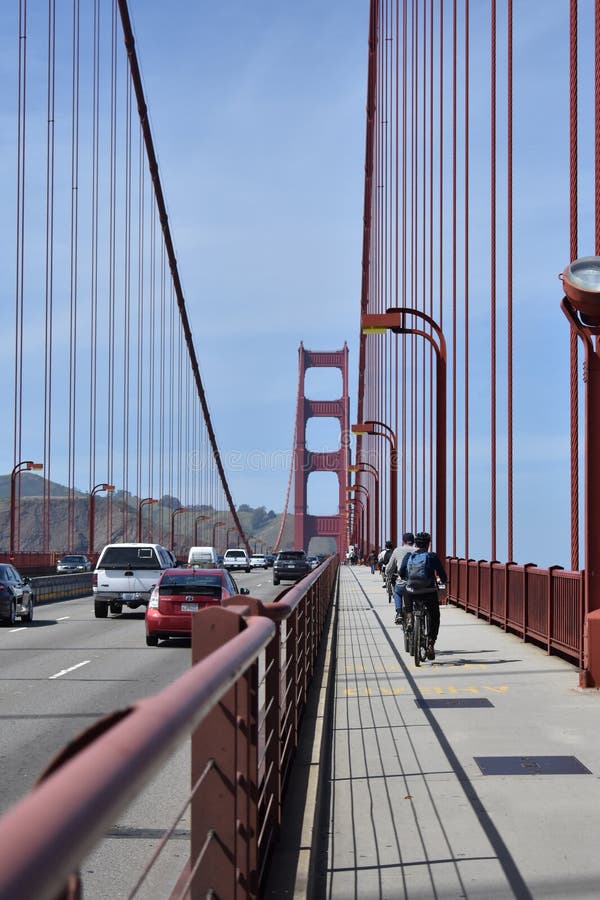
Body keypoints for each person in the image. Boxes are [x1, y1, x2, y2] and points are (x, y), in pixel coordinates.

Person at [399, 531, 447, 660]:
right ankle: (431, 644)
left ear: (416, 544)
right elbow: (443, 574)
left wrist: (406, 577)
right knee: (435, 615)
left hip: (412, 592)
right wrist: (443, 581)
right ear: (428, 544)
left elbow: (401, 572)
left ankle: (409, 617)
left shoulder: (409, 556)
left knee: (405, 590)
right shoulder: (432, 556)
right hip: (429, 592)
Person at [385, 532, 415, 624]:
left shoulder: (397, 550)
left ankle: (399, 613)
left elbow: (389, 568)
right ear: (413, 541)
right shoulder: (418, 550)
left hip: (403, 583)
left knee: (397, 592)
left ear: (403, 541)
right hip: (417, 584)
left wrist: (388, 574)